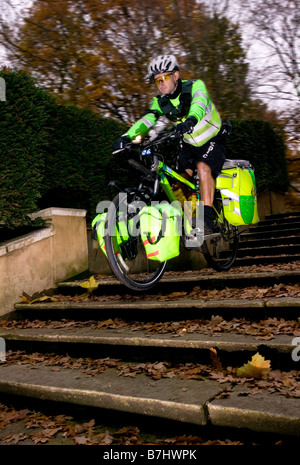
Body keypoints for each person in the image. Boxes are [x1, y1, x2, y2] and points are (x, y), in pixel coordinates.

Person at [114, 54, 229, 234]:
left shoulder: (195, 86)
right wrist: (127, 137)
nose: (160, 84)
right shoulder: (161, 102)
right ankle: (188, 223)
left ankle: (207, 220)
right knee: (180, 181)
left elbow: (199, 103)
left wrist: (191, 120)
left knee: (203, 168)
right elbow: (147, 120)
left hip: (212, 139)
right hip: (189, 144)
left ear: (176, 75)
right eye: (157, 80)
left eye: (164, 78)